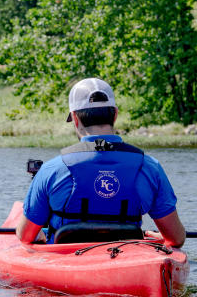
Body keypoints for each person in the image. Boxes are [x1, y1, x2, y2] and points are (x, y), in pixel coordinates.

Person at [16, 78, 186, 246]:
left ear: (75, 118)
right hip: (126, 262)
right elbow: (176, 238)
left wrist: (39, 235)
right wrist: (161, 237)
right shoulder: (149, 167)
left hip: (65, 264)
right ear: (115, 114)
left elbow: (25, 236)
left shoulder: (51, 170)